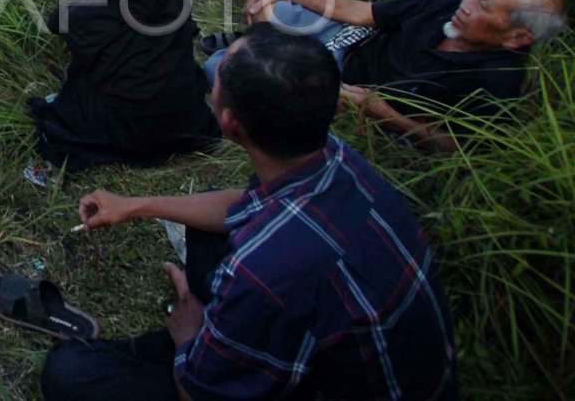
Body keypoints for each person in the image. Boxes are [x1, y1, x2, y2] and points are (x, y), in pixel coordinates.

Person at [41, 25, 459, 400]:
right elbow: (242, 206)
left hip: (317, 381)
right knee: (206, 228)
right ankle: (220, 341)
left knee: (68, 373)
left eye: (218, 77)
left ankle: (206, 346)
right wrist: (137, 205)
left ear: (228, 123)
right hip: (368, 363)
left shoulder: (263, 272)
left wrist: (188, 335)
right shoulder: (335, 157)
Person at [203, 0, 567, 153]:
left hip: (335, 77)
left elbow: (455, 146)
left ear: (517, 37)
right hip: (347, 36)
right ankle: (259, 42)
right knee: (281, 8)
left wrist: (379, 110)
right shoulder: (446, 4)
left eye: (482, 6)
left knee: (220, 69)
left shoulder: (497, 81)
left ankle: (255, 47)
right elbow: (365, 13)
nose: (465, 5)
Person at [28, 0, 219, 173]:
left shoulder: (89, 14)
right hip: (175, 127)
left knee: (79, 84)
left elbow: (54, 22)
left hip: (121, 129)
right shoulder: (176, 3)